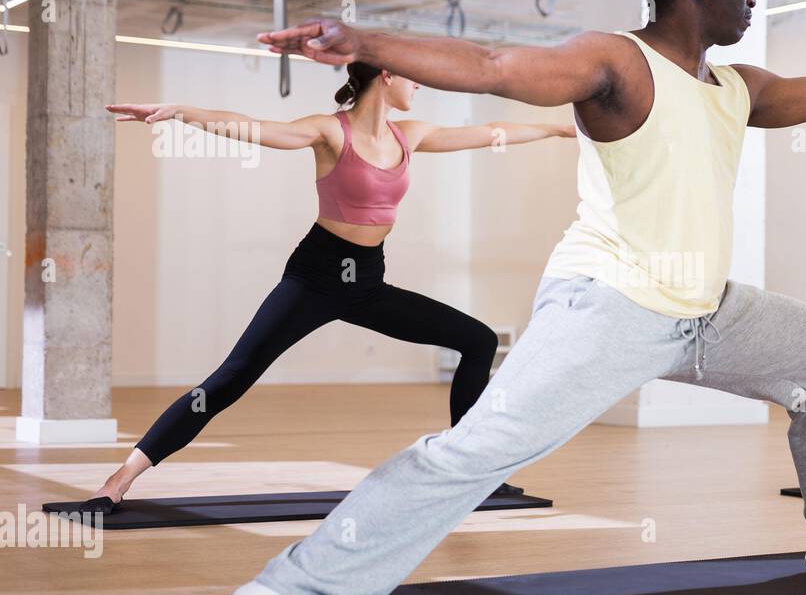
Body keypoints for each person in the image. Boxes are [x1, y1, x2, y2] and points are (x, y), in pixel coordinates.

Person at [223, 0, 806, 595]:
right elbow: (494, 64)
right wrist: (368, 42)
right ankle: (299, 582)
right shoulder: (617, 61)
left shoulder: (735, 87)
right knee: (478, 447)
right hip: (608, 304)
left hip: (708, 313)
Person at [85, 64, 573, 510]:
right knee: (233, 376)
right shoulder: (328, 132)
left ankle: (470, 471)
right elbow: (254, 128)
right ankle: (120, 479)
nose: (420, 83)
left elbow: (492, 134)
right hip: (314, 279)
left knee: (479, 340)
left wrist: (557, 127)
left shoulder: (411, 135)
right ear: (385, 75)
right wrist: (180, 113)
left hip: (367, 282)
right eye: (413, 76)